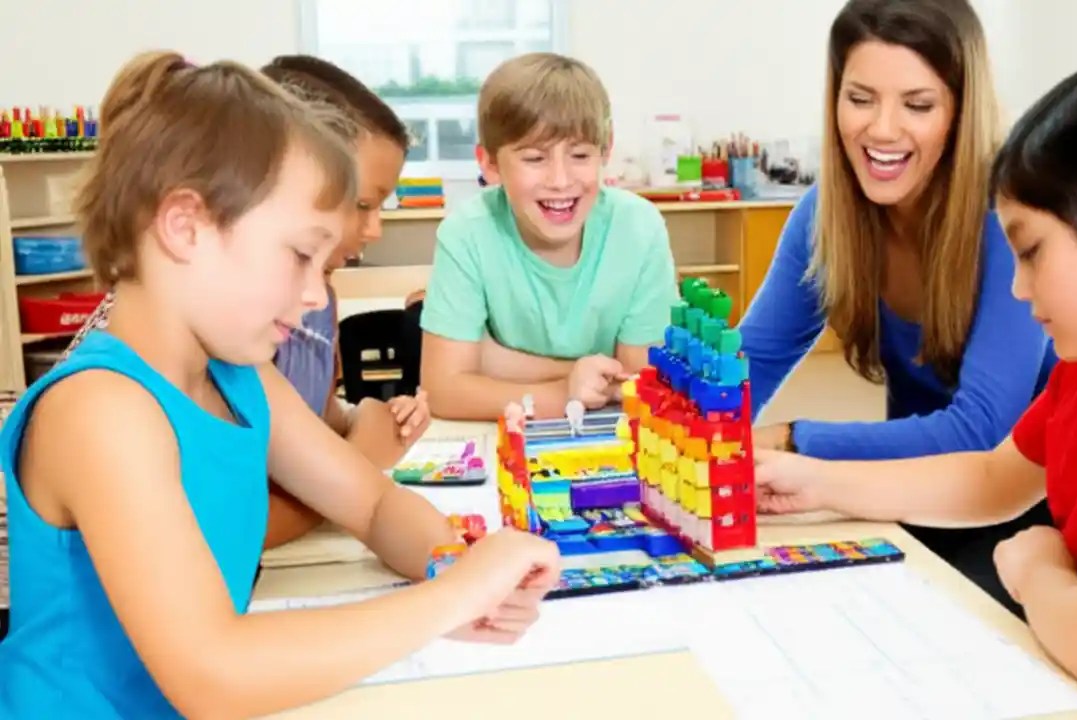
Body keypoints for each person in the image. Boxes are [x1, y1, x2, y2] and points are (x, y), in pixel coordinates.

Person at [0, 51, 559, 719]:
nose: (312, 296)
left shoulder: (243, 379)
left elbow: (376, 506)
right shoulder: (99, 411)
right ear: (186, 226)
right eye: (299, 255)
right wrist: (449, 600)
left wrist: (451, 567)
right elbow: (213, 672)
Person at [753, 54, 1077, 719]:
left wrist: (1036, 571)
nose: (1018, 287)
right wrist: (818, 481)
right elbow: (992, 480)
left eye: (1032, 252)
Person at [736, 0, 1053, 609]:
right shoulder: (827, 216)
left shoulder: (1005, 217)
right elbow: (748, 362)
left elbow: (981, 431)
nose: (881, 130)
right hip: (915, 490)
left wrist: (794, 441)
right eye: (860, 99)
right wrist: (669, 433)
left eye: (918, 104)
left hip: (1031, 509)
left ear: (961, 112)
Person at [417, 52, 678, 421]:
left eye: (581, 155)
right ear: (489, 164)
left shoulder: (638, 226)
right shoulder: (467, 233)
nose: (560, 180)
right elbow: (443, 391)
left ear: (606, 151)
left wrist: (498, 363)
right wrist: (566, 387)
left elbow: (637, 381)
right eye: (535, 159)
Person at [258, 55, 429, 549]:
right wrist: (360, 459)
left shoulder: (316, 300)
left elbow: (314, 417)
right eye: (361, 204)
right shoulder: (232, 330)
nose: (374, 229)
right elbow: (236, 532)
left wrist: (365, 419)